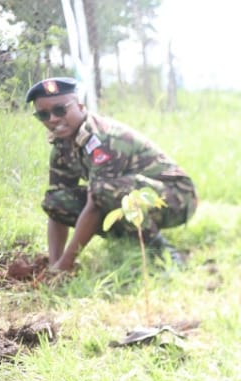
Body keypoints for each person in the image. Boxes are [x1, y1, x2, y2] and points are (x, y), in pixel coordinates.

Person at [27, 77, 197, 272]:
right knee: (55, 201)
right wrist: (54, 266)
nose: (53, 119)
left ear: (80, 107)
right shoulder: (62, 145)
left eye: (60, 110)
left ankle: (163, 253)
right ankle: (126, 242)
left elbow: (96, 202)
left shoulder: (103, 138)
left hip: (177, 198)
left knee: (103, 190)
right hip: (128, 194)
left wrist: (65, 266)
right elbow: (57, 203)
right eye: (43, 115)